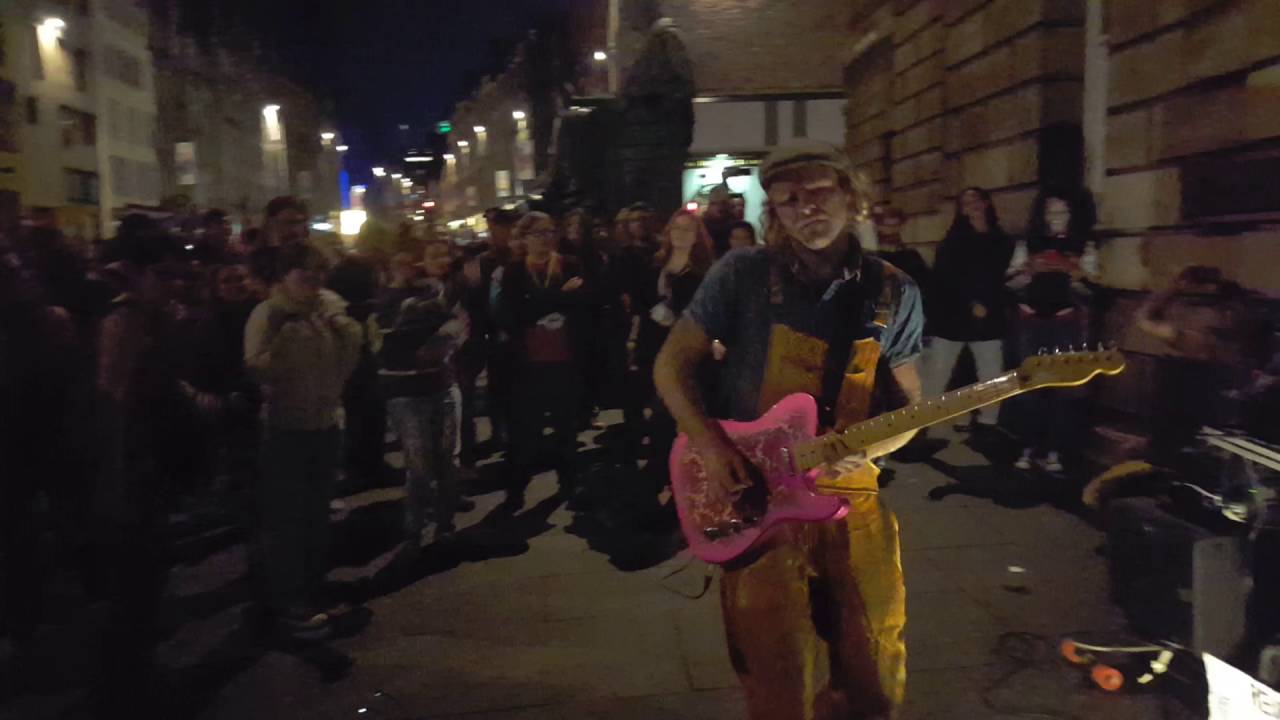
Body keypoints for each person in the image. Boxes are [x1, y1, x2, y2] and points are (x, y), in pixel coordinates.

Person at [654, 140, 923, 719]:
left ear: (851, 196)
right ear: (774, 211)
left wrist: (878, 443)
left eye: (820, 191)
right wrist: (709, 443)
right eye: (789, 199)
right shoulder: (742, 273)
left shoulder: (893, 288)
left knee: (876, 659)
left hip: (851, 495)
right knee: (775, 670)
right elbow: (672, 364)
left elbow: (911, 402)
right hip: (758, 495)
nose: (807, 208)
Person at [243, 242, 363, 636]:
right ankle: (287, 604)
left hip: (324, 426)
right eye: (304, 273)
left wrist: (342, 327)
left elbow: (346, 365)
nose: (313, 280)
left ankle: (311, 589)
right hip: (285, 430)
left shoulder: (326, 311)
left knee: (315, 517)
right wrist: (283, 342)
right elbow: (259, 369)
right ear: (285, 276)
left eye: (318, 272)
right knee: (287, 522)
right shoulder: (270, 314)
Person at [375, 238, 469, 553]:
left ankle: (445, 526)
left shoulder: (435, 291)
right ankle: (413, 531)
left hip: (441, 384)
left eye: (409, 259)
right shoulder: (386, 299)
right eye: (398, 260)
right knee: (418, 465)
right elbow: (394, 333)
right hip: (405, 392)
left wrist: (446, 336)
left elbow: (460, 323)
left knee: (446, 460)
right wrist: (440, 329)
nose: (405, 265)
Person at [493, 212, 587, 510]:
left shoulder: (569, 264)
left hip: (564, 358)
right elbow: (514, 315)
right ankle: (516, 489)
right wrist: (559, 296)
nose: (545, 238)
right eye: (537, 233)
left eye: (549, 231)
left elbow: (583, 303)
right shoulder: (513, 272)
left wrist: (539, 304)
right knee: (524, 432)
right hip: (527, 364)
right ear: (524, 238)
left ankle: (569, 485)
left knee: (566, 429)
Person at [1007, 187, 1100, 472]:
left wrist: (1075, 272)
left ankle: (1055, 450)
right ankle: (1028, 445)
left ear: (1072, 215)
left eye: (1062, 212)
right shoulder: (1029, 243)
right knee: (1031, 385)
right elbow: (1010, 283)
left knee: (1062, 386)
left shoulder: (1084, 244)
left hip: (1064, 320)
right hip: (1031, 317)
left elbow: (1093, 286)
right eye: (1051, 212)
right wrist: (1028, 270)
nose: (1056, 218)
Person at [632, 209, 715, 523]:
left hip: (685, 355)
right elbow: (639, 304)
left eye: (688, 229)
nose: (681, 234)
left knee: (669, 417)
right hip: (654, 349)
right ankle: (663, 484)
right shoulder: (655, 265)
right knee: (660, 419)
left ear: (697, 236)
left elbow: (703, 312)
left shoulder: (704, 271)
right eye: (676, 228)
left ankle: (668, 484)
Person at [926, 187, 1014, 431]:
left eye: (976, 199)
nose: (972, 205)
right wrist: (969, 302)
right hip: (953, 317)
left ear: (986, 203)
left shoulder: (1002, 240)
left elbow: (1002, 277)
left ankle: (988, 422)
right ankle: (924, 422)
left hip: (989, 317)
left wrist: (992, 303)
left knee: (991, 373)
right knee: (940, 373)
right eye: (965, 202)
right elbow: (945, 279)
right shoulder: (952, 242)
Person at [702, 184, 736, 257]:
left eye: (723, 203)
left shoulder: (733, 223)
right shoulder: (701, 225)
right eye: (715, 203)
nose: (719, 206)